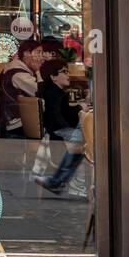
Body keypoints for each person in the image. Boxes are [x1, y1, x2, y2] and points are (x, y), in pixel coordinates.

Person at [32, 58, 86, 194]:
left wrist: (80, 107)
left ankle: (59, 181)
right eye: (64, 72)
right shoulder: (52, 94)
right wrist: (69, 134)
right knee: (82, 139)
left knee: (84, 135)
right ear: (53, 77)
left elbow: (65, 112)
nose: (68, 75)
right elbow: (55, 117)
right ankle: (58, 181)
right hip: (57, 131)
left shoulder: (56, 92)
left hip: (57, 129)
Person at [0, 39, 44, 138]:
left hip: (16, 123)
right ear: (26, 53)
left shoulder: (14, 69)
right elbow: (42, 92)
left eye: (42, 53)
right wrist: (38, 71)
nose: (41, 57)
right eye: (38, 52)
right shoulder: (19, 74)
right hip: (17, 125)